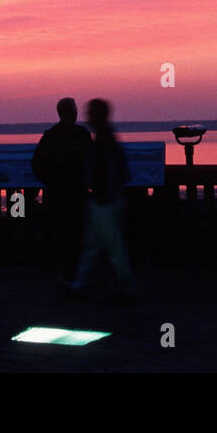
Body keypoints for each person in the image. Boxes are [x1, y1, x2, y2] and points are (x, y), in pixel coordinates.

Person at [68, 98, 135, 303]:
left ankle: (124, 288)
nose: (86, 116)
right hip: (103, 199)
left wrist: (103, 193)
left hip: (104, 200)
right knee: (95, 245)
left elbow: (108, 171)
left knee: (111, 247)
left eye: (90, 112)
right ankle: (80, 284)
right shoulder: (107, 137)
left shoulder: (104, 140)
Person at [30, 98, 92, 283]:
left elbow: (36, 164)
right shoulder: (81, 134)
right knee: (77, 231)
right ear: (73, 113)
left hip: (55, 193)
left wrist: (49, 181)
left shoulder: (50, 136)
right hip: (77, 193)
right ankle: (73, 270)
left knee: (58, 231)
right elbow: (93, 161)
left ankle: (58, 268)